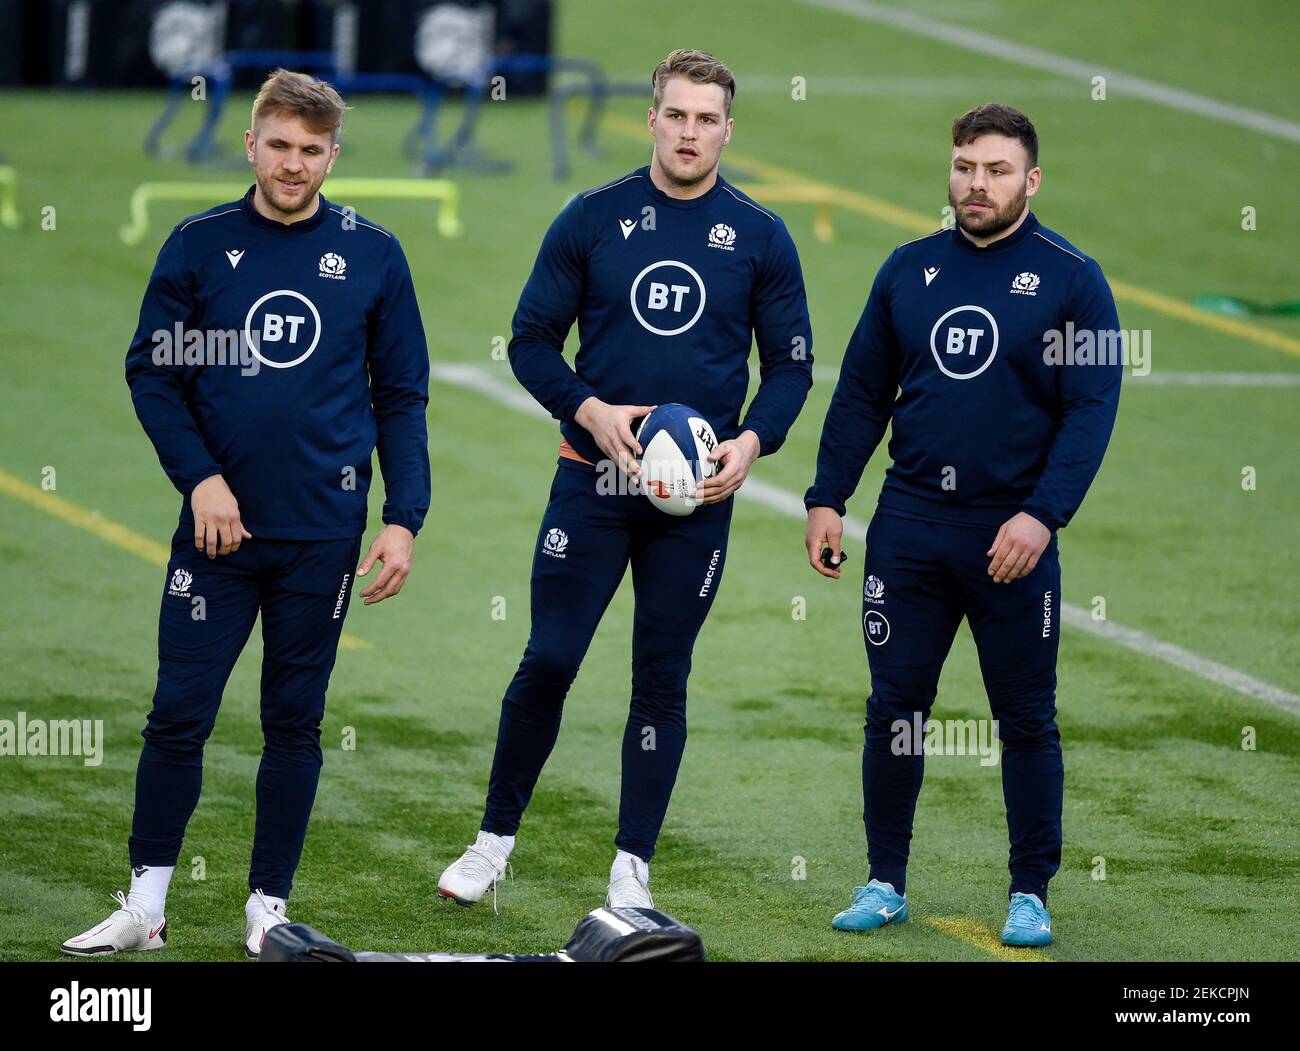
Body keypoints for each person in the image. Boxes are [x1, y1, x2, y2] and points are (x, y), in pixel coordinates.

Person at [62, 69, 430, 958]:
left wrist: (402, 515)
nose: (294, 164)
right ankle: (146, 907)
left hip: (323, 536)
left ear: (333, 154)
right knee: (178, 713)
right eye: (280, 145)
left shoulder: (374, 255)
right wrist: (199, 479)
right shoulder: (199, 246)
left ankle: (268, 907)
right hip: (217, 534)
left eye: (312, 150)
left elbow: (402, 395)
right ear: (250, 143)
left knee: (294, 721)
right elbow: (152, 372)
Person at [437, 48, 813, 911]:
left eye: (706, 118)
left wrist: (754, 440)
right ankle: (493, 843)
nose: (689, 132)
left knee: (661, 675)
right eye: (675, 115)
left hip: (694, 501)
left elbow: (791, 365)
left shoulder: (760, 235)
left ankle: (631, 869)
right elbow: (530, 340)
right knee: (551, 657)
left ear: (728, 128)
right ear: (651, 118)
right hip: (592, 484)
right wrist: (591, 411)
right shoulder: (592, 218)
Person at [804, 104, 1121, 947]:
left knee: (1025, 716)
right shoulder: (908, 269)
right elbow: (863, 392)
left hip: (1010, 535)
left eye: (996, 170)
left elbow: (1090, 411)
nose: (976, 185)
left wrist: (1042, 516)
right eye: (965, 167)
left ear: (1031, 179)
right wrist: (827, 496)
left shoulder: (1071, 279)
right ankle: (883, 880)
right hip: (909, 526)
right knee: (895, 706)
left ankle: (1030, 891)